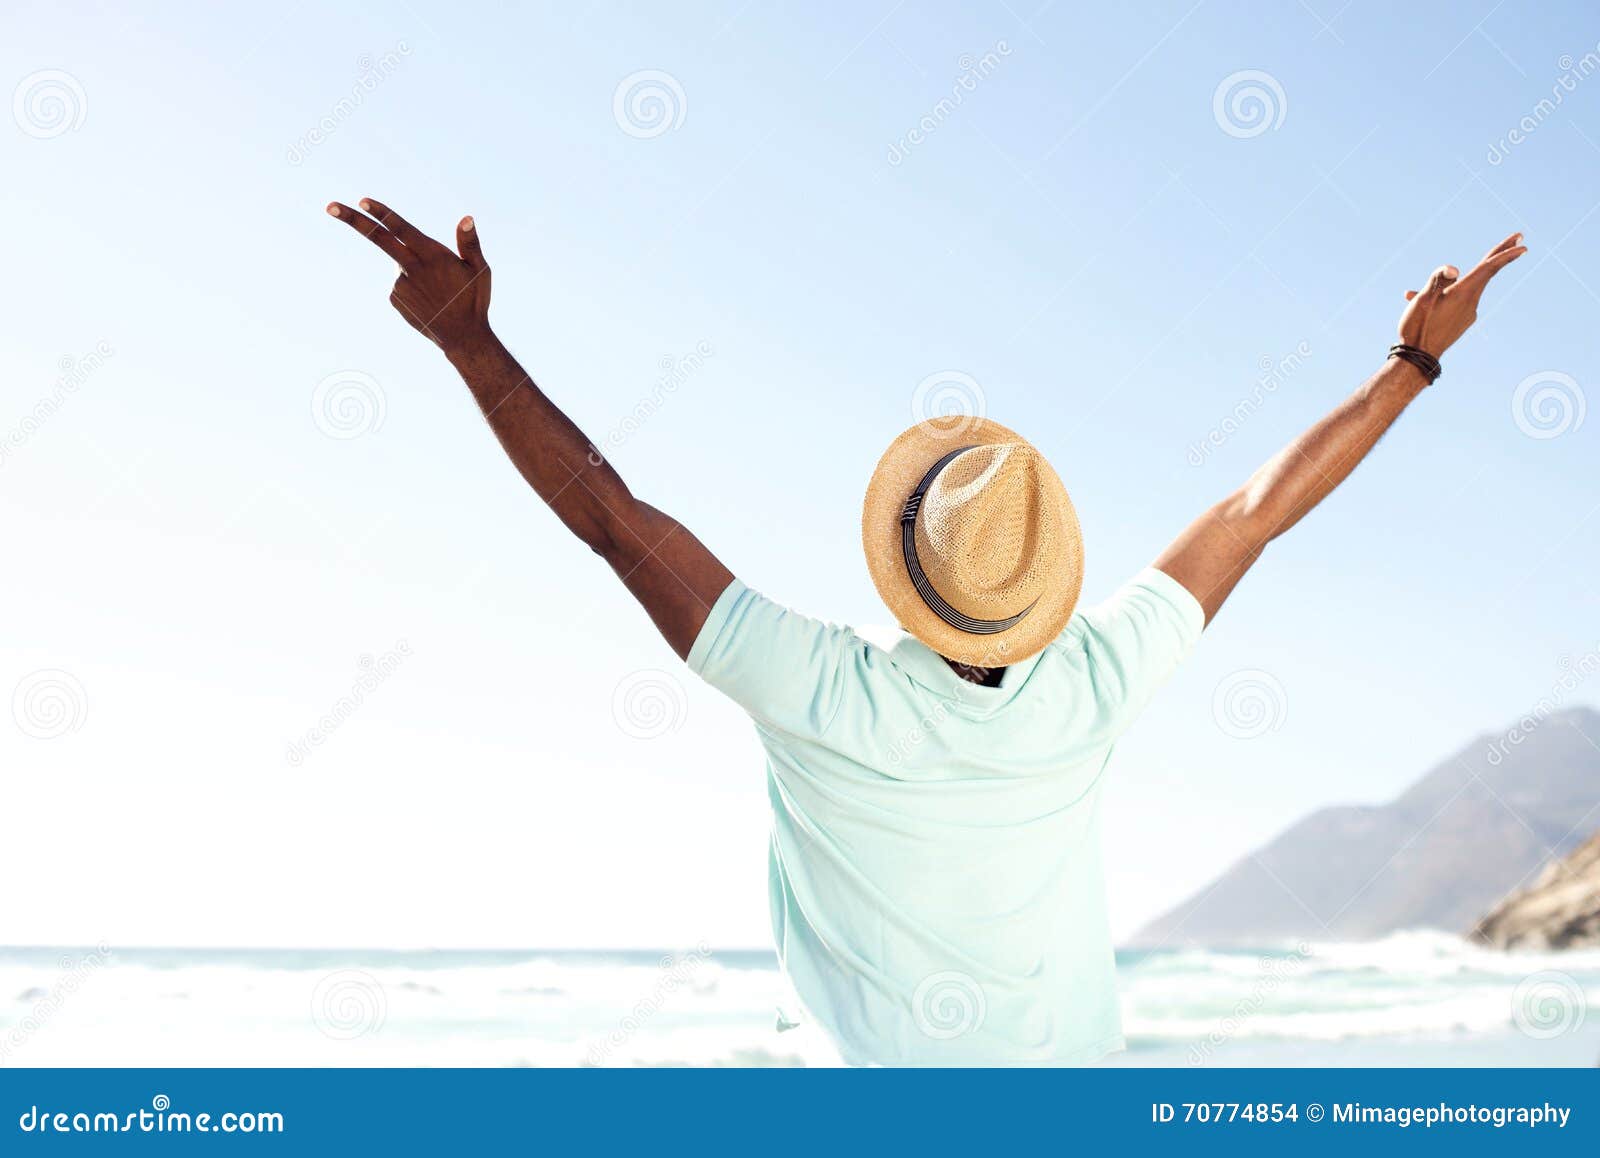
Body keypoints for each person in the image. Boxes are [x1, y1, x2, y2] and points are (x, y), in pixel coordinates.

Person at [325, 198, 1526, 1064]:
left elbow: (610, 517)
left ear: (907, 565)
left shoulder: (813, 687)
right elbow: (1255, 514)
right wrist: (1410, 362)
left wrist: (469, 341)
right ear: (1039, 577)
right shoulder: (1095, 680)